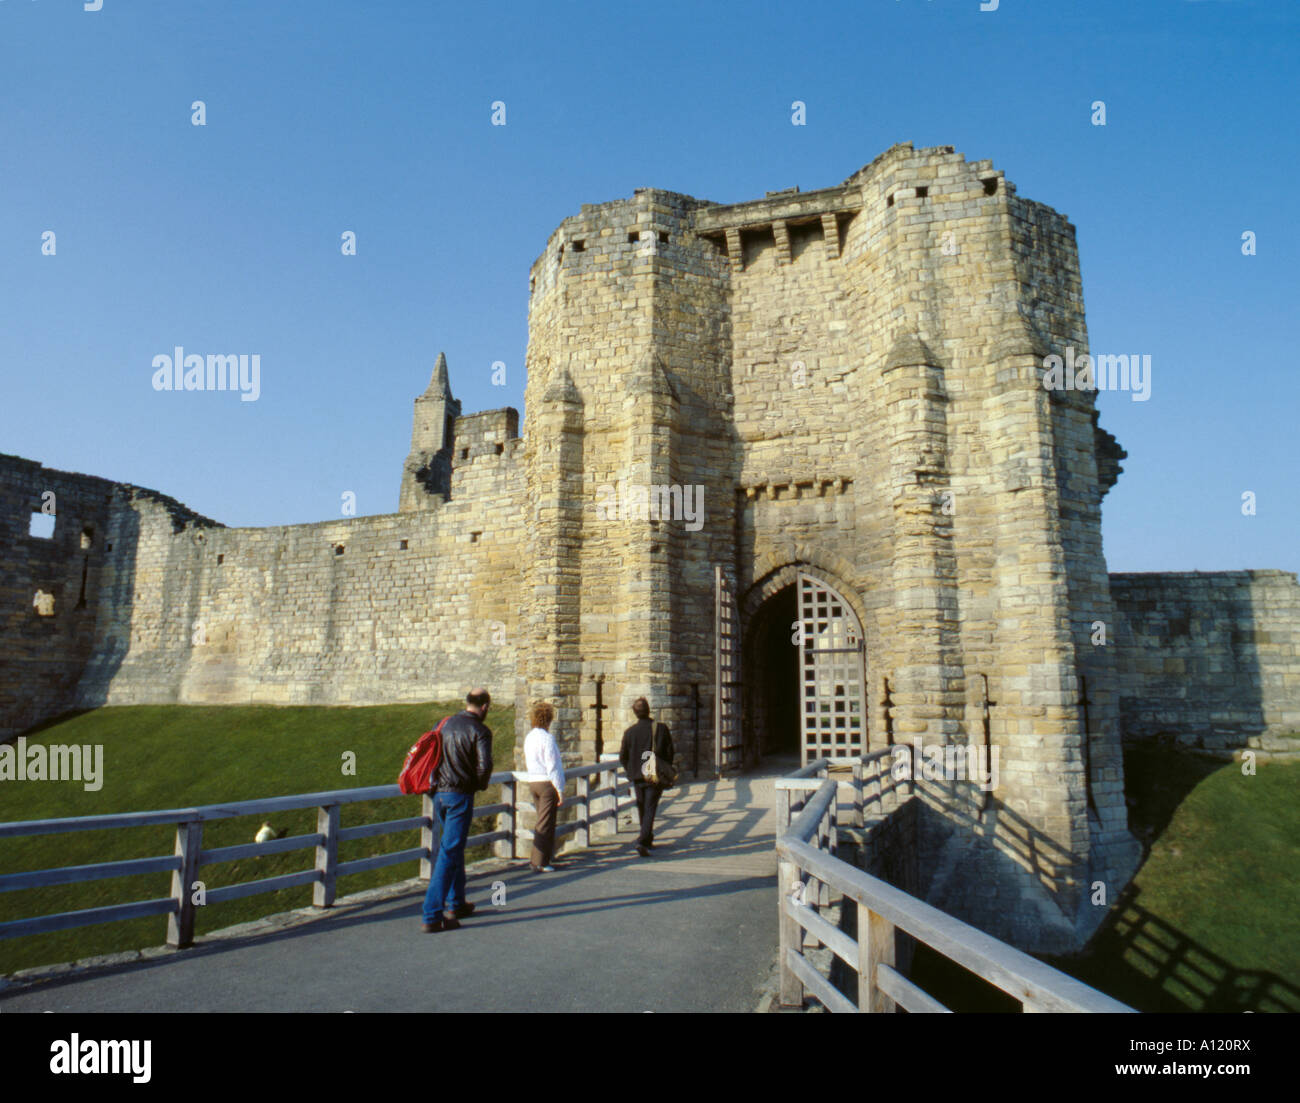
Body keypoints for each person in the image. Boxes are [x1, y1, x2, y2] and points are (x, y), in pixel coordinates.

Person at [422, 688, 494, 932]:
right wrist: (476, 786)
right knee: (449, 851)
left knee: (454, 846)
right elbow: (484, 768)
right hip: (459, 795)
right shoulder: (480, 731)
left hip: (438, 795)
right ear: (484, 707)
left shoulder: (442, 724)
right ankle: (431, 915)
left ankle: (457, 902)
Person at [619, 697, 675, 858]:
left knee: (643, 807)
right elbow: (670, 751)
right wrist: (663, 767)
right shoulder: (661, 729)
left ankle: (647, 839)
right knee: (650, 807)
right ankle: (643, 841)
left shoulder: (629, 733)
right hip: (653, 774)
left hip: (637, 776)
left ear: (635, 713)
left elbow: (623, 756)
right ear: (648, 710)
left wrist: (631, 770)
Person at [523, 701, 565, 872]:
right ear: (548, 719)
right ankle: (539, 862)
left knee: (544, 821)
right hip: (546, 784)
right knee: (545, 823)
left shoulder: (529, 736)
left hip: (533, 781)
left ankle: (543, 859)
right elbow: (553, 765)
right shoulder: (547, 738)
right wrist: (560, 789)